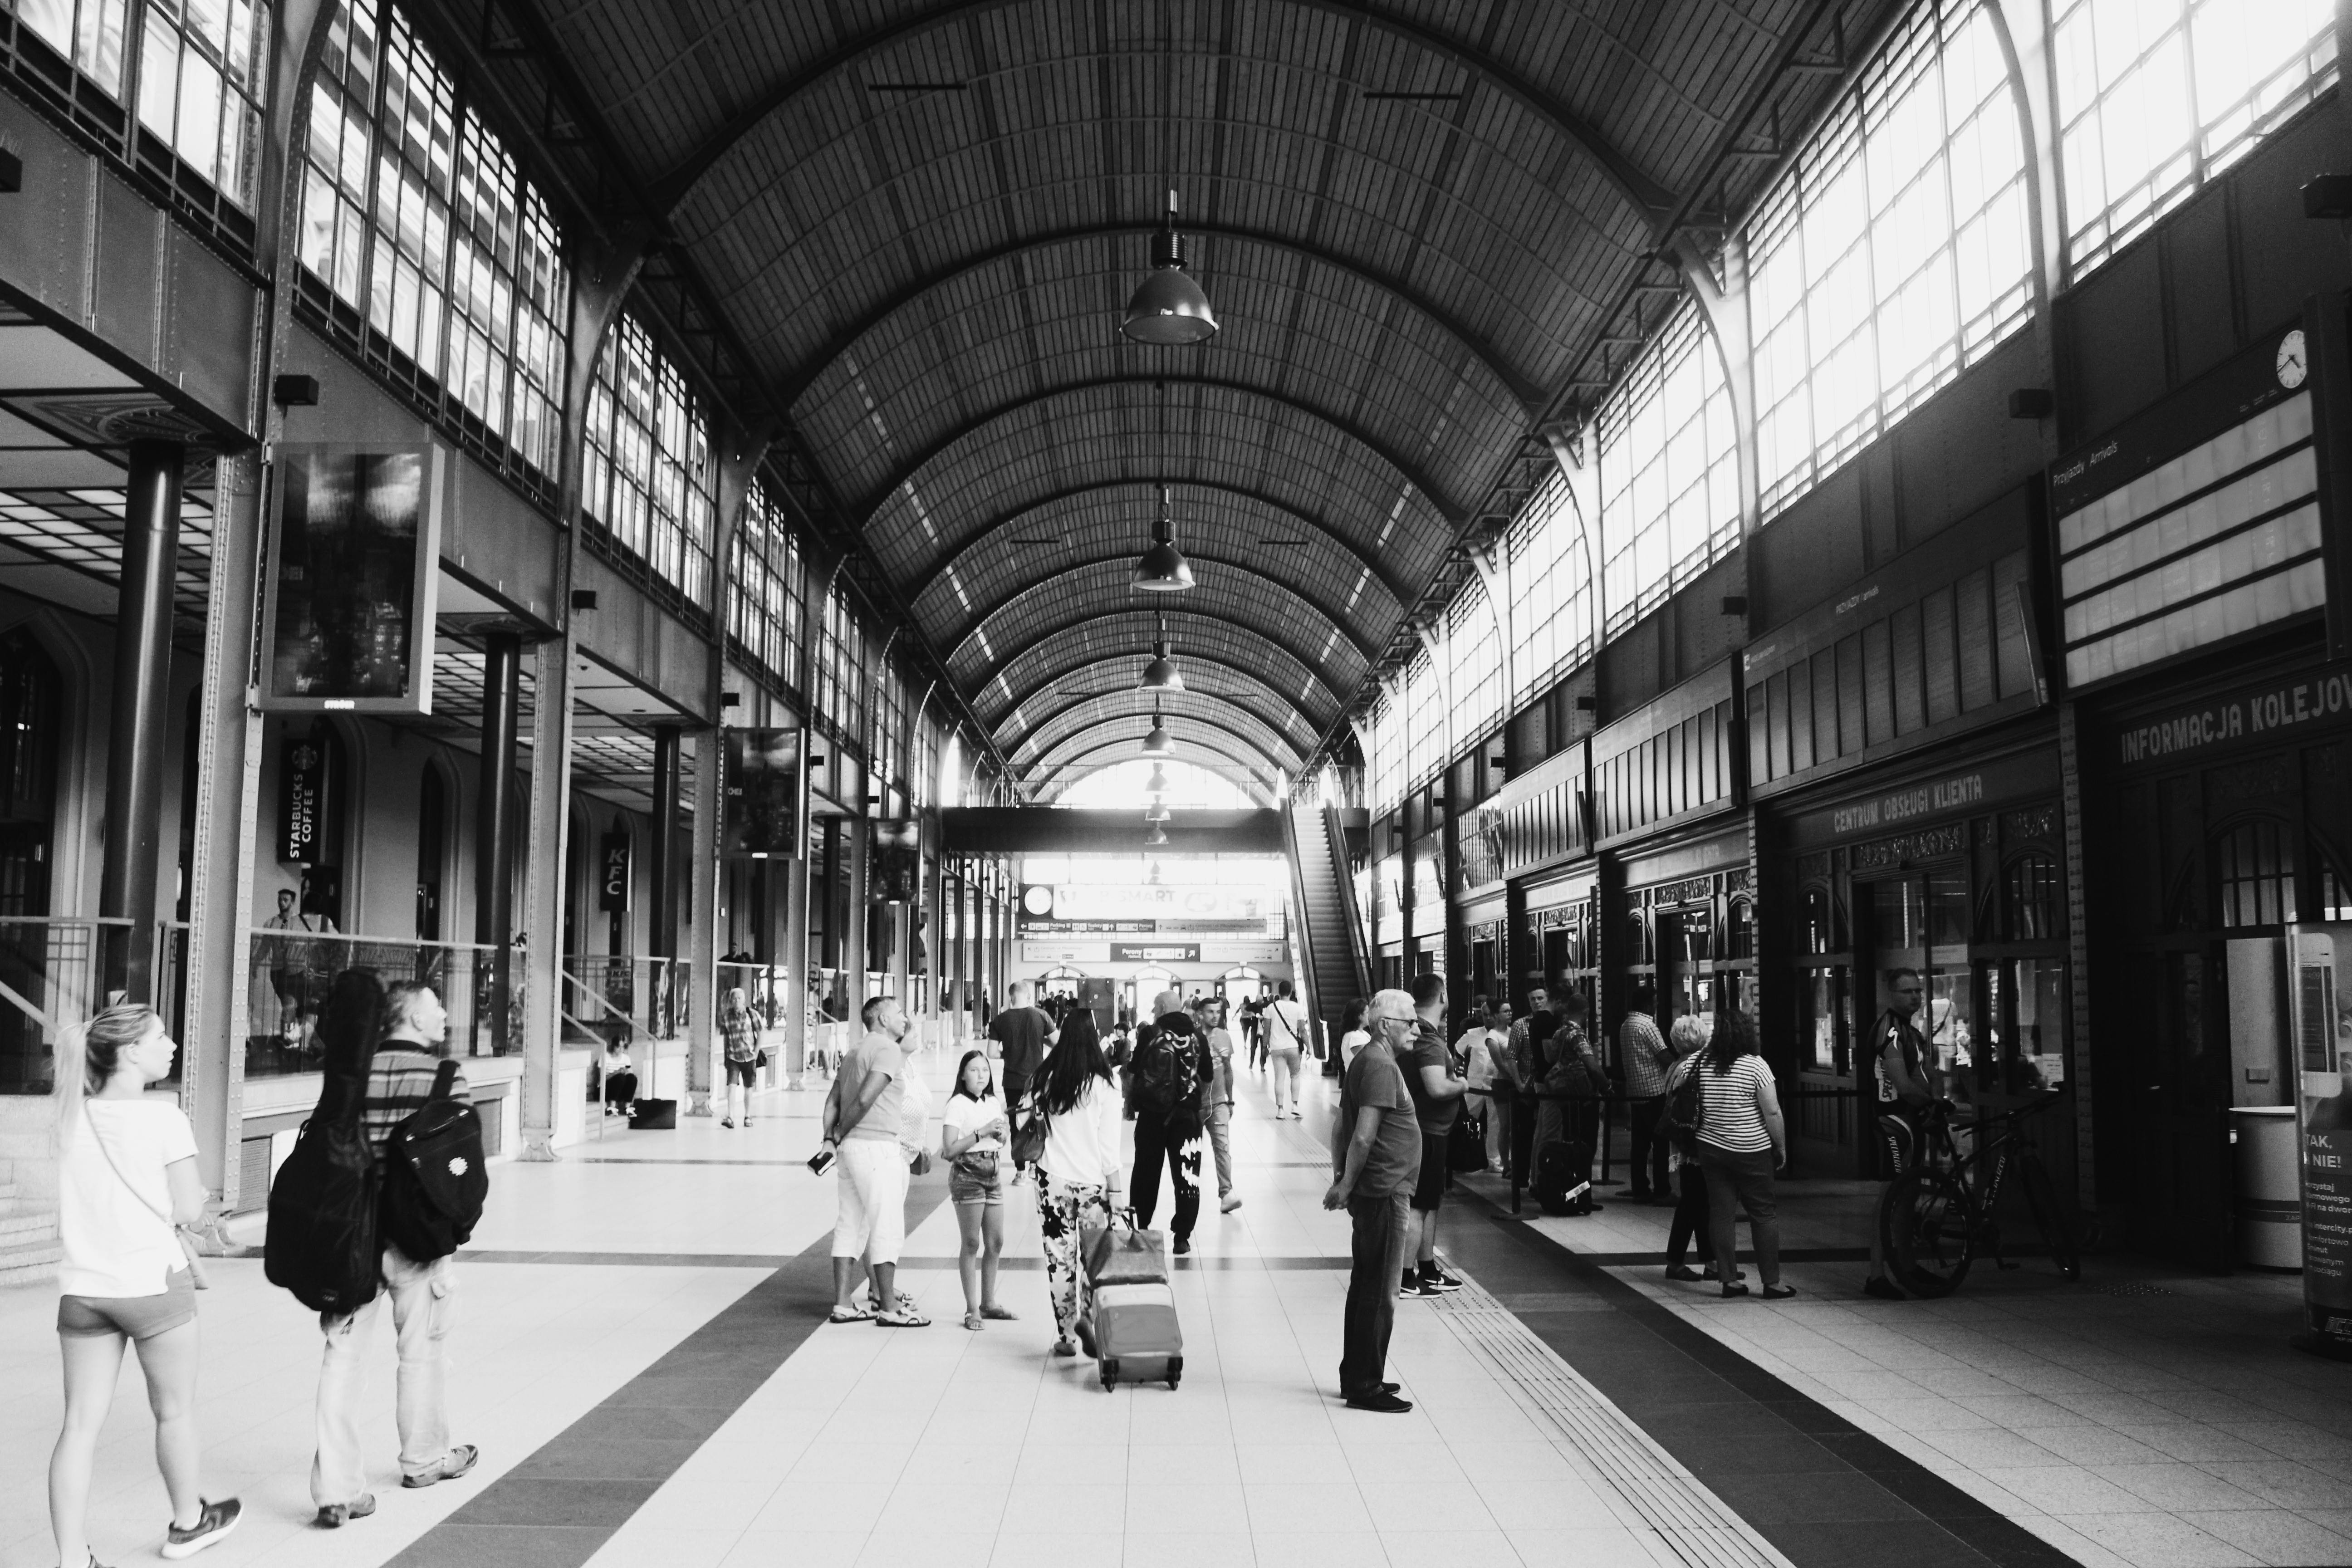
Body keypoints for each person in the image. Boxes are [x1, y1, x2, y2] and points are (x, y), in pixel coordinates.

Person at [50, 1003, 241, 1565]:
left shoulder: (70, 1115)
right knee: (174, 1411)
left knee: (78, 1427)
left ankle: (71, 1558)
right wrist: (192, 1200)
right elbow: (187, 1209)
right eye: (161, 1036)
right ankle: (188, 1524)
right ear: (131, 1051)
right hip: (154, 1284)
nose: (172, 1045)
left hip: (83, 1291)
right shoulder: (164, 1118)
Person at [313, 982, 479, 1527]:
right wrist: (457, 1230)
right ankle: (424, 1459)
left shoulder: (351, 1075)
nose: (445, 1014)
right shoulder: (445, 1077)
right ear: (411, 1017)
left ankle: (336, 1492)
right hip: (417, 1239)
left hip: (352, 1238)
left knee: (342, 1360)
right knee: (421, 1352)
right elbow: (462, 1167)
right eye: (435, 1007)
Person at [1323, 989, 1422, 1413]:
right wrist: (1346, 1185)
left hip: (1376, 1191)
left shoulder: (1367, 1060)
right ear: (1385, 1025)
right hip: (1384, 1192)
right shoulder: (1381, 1065)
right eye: (1410, 1023)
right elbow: (1362, 1136)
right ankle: (1365, 1385)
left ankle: (1359, 1374)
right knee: (1381, 1292)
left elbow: (1339, 1130)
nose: (1417, 1030)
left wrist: (1342, 1179)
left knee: (1366, 1285)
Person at [819, 995, 928, 1328]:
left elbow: (833, 1101)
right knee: (887, 1226)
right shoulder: (888, 1050)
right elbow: (866, 1098)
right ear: (882, 1019)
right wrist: (841, 1132)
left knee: (849, 1224)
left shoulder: (854, 1051)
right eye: (898, 1012)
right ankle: (890, 1308)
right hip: (878, 1148)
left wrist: (830, 1138)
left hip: (851, 1151)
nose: (904, 1018)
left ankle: (843, 1304)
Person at [1030, 1013, 1125, 1357]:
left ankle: (1067, 1336)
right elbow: (1109, 1146)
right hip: (1093, 1185)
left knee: (1059, 1258)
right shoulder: (1106, 1083)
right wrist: (1116, 1190)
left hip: (1051, 1179)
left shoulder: (1045, 1077)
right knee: (1095, 1255)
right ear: (1094, 1037)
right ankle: (1088, 1314)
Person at [1695, 1008, 1791, 1300]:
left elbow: (1683, 1095)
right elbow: (1772, 1111)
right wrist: (1781, 1146)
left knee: (1721, 1214)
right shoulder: (1755, 1065)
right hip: (1752, 1151)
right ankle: (1772, 1283)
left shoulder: (1701, 1063)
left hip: (1711, 1149)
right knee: (1763, 1214)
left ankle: (1729, 1280)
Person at [1864, 968, 1936, 1301]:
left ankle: (1907, 1265)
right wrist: (1933, 1102)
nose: (1916, 997)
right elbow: (1903, 1085)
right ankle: (1876, 1274)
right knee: (1890, 1196)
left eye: (1918, 991)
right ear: (1891, 994)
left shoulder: (1912, 1031)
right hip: (1893, 1121)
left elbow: (1923, 1073)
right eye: (1908, 991)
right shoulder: (1889, 1030)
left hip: (1912, 1120)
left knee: (1908, 1194)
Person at [1398, 972, 1467, 1298]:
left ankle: (1427, 1268)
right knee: (1418, 1206)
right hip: (1426, 1132)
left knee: (1429, 1204)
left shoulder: (1425, 1033)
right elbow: (1437, 1088)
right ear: (1442, 996)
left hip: (1434, 1131)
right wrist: (1462, 1085)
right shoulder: (1426, 1036)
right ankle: (1404, 1275)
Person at [940, 1049, 1015, 1332]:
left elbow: (1001, 1139)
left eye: (985, 1070)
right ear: (963, 1075)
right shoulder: (957, 1105)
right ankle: (972, 1309)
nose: (981, 1075)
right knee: (971, 1243)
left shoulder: (993, 1101)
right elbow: (949, 1150)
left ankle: (989, 1303)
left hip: (993, 1173)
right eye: (974, 1070)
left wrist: (1002, 1135)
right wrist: (981, 1133)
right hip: (968, 1174)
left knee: (996, 1242)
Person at [1129, 990, 1207, 1255]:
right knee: (1187, 1177)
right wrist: (1197, 1105)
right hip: (1188, 1120)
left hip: (1152, 1117)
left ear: (1163, 1008)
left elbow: (1135, 1072)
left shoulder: (1150, 1034)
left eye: (1155, 1007)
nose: (1153, 1012)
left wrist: (1131, 1105)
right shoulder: (1197, 1036)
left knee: (1145, 1174)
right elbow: (1207, 1076)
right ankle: (1182, 1237)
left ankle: (1141, 1229)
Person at [1659, 1014, 1722, 1284]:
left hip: (1682, 1143)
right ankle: (1677, 1262)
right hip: (1694, 1143)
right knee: (1694, 1203)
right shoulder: (1694, 1067)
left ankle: (1710, 1262)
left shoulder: (1677, 1065)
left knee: (1696, 1202)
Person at [989, 982, 1054, 1180]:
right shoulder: (1041, 1016)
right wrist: (1041, 1042)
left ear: (1011, 998)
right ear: (1029, 996)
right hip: (1037, 1081)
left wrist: (1008, 1053)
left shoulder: (1000, 1020)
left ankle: (1020, 1172)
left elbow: (991, 1052)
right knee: (1038, 1121)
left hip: (1012, 1082)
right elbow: (1058, 1043)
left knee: (1016, 1125)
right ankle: (1035, 1165)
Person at [1618, 985, 1671, 1203]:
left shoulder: (1626, 1025)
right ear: (1648, 1004)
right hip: (1655, 1092)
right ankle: (1662, 1190)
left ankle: (1640, 1187)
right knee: (1661, 1143)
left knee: (1640, 1144)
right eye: (1655, 1002)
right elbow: (1664, 1057)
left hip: (1636, 1092)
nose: (1657, 1005)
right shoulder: (1648, 1026)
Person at [1194, 997, 1242, 1214]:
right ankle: (1191, 1191)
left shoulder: (1224, 1036)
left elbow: (1228, 1070)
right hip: (1196, 1104)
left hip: (1219, 1103)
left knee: (1223, 1148)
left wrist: (1230, 1099)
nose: (1215, 1016)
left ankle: (1227, 1193)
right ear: (1200, 1014)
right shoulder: (1192, 1037)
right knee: (1192, 1150)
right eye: (1210, 1012)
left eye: (1218, 1012)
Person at [1457, 1002, 1503, 1173]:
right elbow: (1458, 1052)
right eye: (1485, 1015)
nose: (1488, 1018)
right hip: (1474, 1085)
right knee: (1468, 1119)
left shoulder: (1507, 1034)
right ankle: (1463, 1157)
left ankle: (1493, 1159)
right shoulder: (1472, 1034)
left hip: (1495, 1084)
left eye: (1491, 1014)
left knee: (1495, 1122)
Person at [1262, 979, 1309, 1117]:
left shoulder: (1271, 1008)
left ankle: (1280, 1110)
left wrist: (1264, 1047)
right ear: (1290, 992)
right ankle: (1295, 1105)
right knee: (1295, 1076)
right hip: (1293, 1047)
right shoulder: (1297, 1008)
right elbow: (1302, 1030)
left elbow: (1266, 1031)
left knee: (1279, 1079)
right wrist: (1309, 1047)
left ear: (1279, 992)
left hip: (1276, 1048)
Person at [719, 985, 760, 1128]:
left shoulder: (752, 1014)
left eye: (739, 998)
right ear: (731, 1001)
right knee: (731, 1086)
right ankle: (730, 1117)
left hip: (749, 1056)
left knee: (749, 1087)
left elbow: (761, 1032)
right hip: (733, 1057)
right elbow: (726, 1037)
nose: (737, 1001)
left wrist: (756, 1051)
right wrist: (726, 1056)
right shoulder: (727, 1016)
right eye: (734, 999)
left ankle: (747, 1116)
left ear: (744, 1000)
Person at [600, 1039, 636, 1118]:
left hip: (621, 1089)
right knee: (620, 1078)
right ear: (613, 1047)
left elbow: (631, 1073)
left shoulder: (626, 1058)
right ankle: (612, 1107)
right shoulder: (605, 1057)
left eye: (623, 1047)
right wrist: (618, 1072)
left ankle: (627, 1107)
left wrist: (627, 1072)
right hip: (607, 1088)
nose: (621, 1049)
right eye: (618, 1047)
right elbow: (602, 1079)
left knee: (632, 1078)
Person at [1337, 998, 1370, 1070]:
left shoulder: (1364, 1034)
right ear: (1359, 1016)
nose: (1370, 1015)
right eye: (1367, 1013)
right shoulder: (1354, 1037)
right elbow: (1367, 1060)